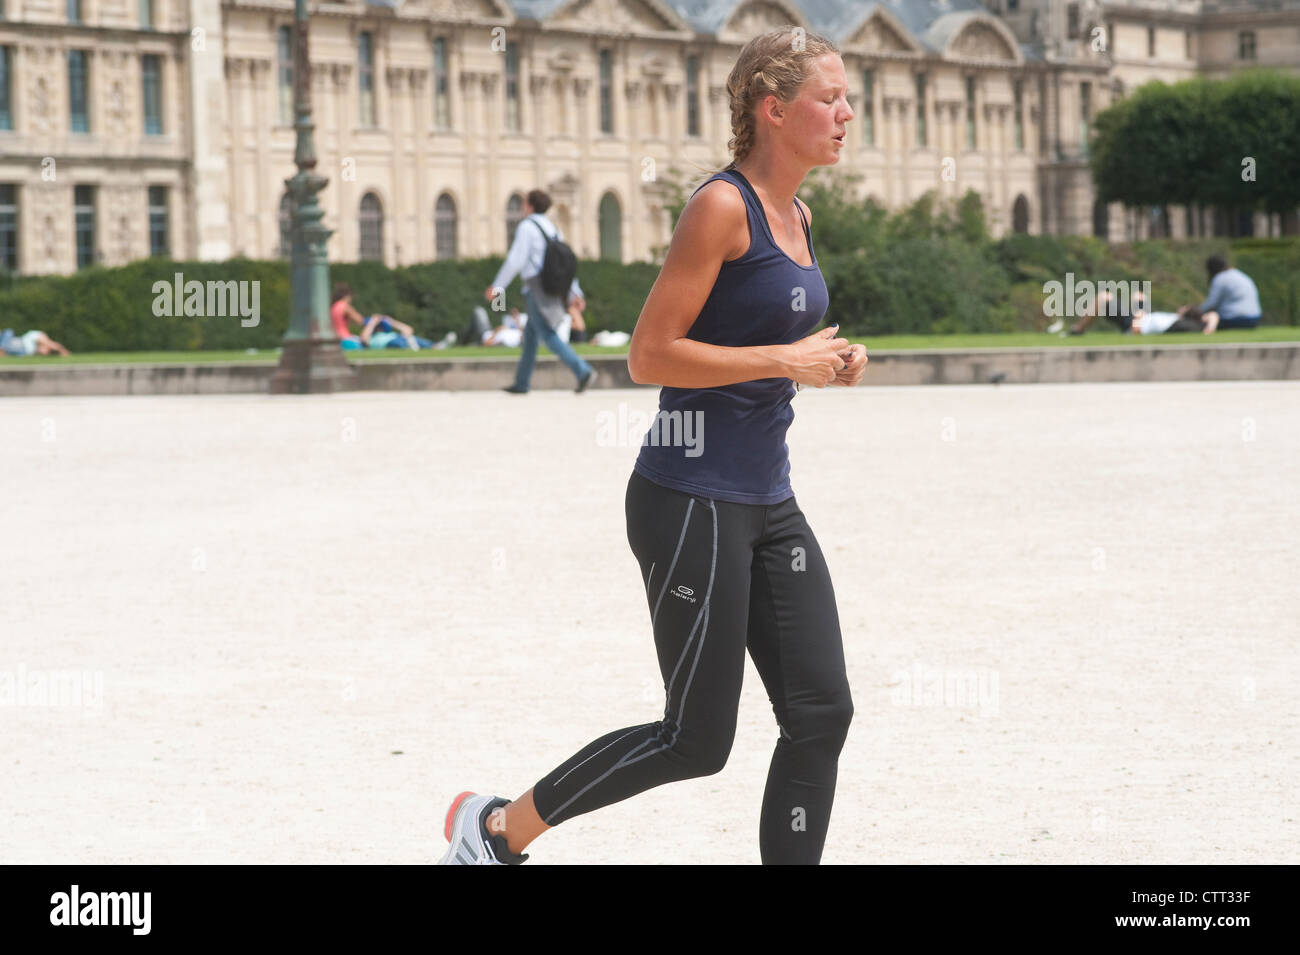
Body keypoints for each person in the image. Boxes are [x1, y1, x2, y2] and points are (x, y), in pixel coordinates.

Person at [440, 28, 867, 866]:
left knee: (821, 712)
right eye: (830, 97)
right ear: (773, 111)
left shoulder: (800, 213)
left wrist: (829, 357)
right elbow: (648, 353)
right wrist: (786, 358)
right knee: (696, 739)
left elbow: (761, 334)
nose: (847, 112)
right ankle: (493, 832)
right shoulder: (720, 206)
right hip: (690, 499)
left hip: (767, 497)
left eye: (847, 96)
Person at [485, 190, 596, 394]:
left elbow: (515, 260)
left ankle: (582, 371)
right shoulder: (553, 228)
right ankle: (522, 382)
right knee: (530, 336)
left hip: (536, 287)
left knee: (547, 333)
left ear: (529, 205)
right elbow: (564, 264)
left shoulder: (527, 227)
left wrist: (497, 286)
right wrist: (575, 292)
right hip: (551, 286)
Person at [330, 283, 436, 350]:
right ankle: (426, 346)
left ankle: (427, 346)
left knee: (405, 340)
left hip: (337, 339)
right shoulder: (344, 306)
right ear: (347, 296)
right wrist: (374, 320)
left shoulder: (333, 307)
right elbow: (360, 320)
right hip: (346, 339)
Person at [1178, 254, 1261, 330]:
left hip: (1236, 319)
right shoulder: (1239, 274)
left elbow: (1211, 304)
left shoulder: (1220, 278)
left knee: (1210, 317)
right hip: (1255, 319)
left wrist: (1192, 311)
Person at [0, 328, 70, 357]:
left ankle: (2, 351)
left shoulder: (38, 349)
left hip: (20, 351)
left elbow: (47, 347)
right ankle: (2, 350)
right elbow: (50, 343)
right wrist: (61, 349)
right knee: (8, 331)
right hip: (17, 344)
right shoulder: (36, 335)